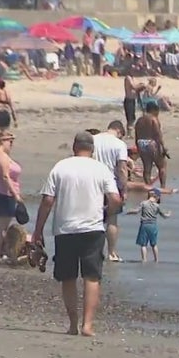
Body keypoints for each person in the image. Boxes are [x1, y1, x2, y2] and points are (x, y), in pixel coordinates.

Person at [32, 131, 122, 337]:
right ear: (92, 149)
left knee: (68, 277)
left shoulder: (61, 167)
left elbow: (47, 201)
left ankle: (73, 324)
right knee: (92, 277)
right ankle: (87, 325)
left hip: (65, 229)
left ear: (74, 147)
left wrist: (38, 230)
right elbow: (115, 199)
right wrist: (108, 212)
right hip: (93, 229)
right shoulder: (101, 169)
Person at [93, 120, 131, 262]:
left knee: (93, 219)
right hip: (110, 184)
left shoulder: (94, 139)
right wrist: (124, 189)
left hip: (93, 182)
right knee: (112, 220)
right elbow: (122, 168)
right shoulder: (119, 144)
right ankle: (111, 252)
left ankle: (95, 251)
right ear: (119, 132)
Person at [0, 130, 24, 265]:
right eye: (10, 141)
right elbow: (4, 177)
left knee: (1, 229)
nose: (11, 144)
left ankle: (0, 256)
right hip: (3, 194)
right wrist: (16, 195)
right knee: (0, 229)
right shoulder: (1, 156)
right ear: (2, 141)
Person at [126, 187, 170, 262]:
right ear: (157, 197)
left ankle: (144, 259)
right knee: (154, 244)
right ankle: (156, 259)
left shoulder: (144, 203)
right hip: (153, 225)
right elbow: (164, 215)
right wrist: (168, 214)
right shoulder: (157, 206)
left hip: (144, 225)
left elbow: (136, 211)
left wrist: (129, 211)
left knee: (143, 244)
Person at [135, 101, 168, 188]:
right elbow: (158, 135)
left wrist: (138, 147)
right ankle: (163, 187)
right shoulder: (154, 119)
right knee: (162, 166)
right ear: (154, 110)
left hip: (141, 143)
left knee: (147, 168)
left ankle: (148, 187)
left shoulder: (139, 120)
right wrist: (163, 148)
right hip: (151, 143)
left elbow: (136, 135)